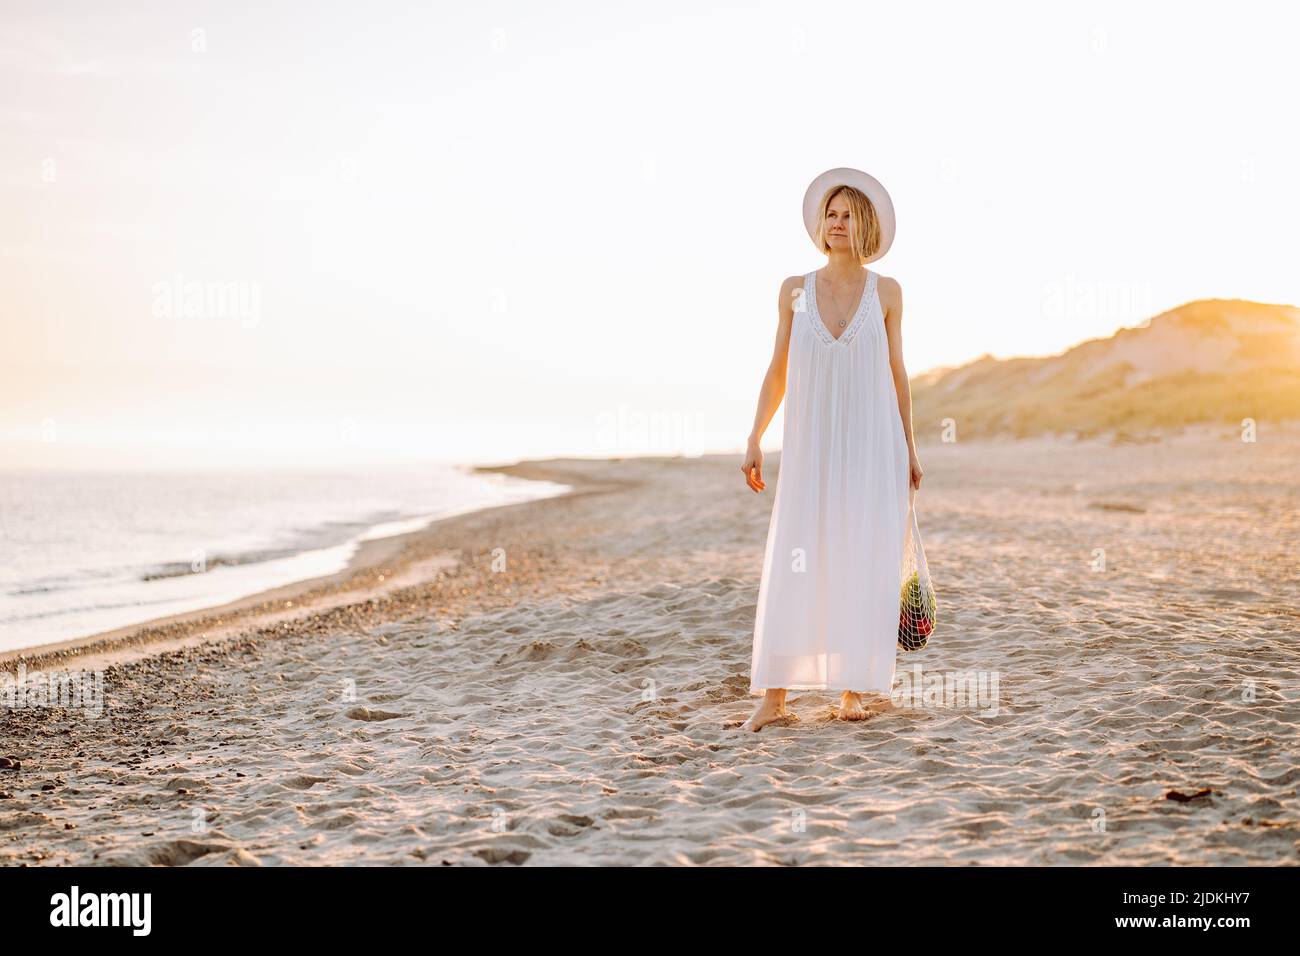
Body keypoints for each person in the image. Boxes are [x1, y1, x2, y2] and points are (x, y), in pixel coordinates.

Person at [740, 167, 923, 733]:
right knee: (799, 555)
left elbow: (897, 373)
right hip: (811, 446)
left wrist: (911, 448)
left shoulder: (887, 292)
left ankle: (851, 689)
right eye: (831, 214)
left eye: (848, 215)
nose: (837, 224)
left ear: (864, 224)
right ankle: (773, 699)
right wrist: (754, 436)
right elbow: (779, 370)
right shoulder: (794, 290)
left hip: (873, 445)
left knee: (862, 556)